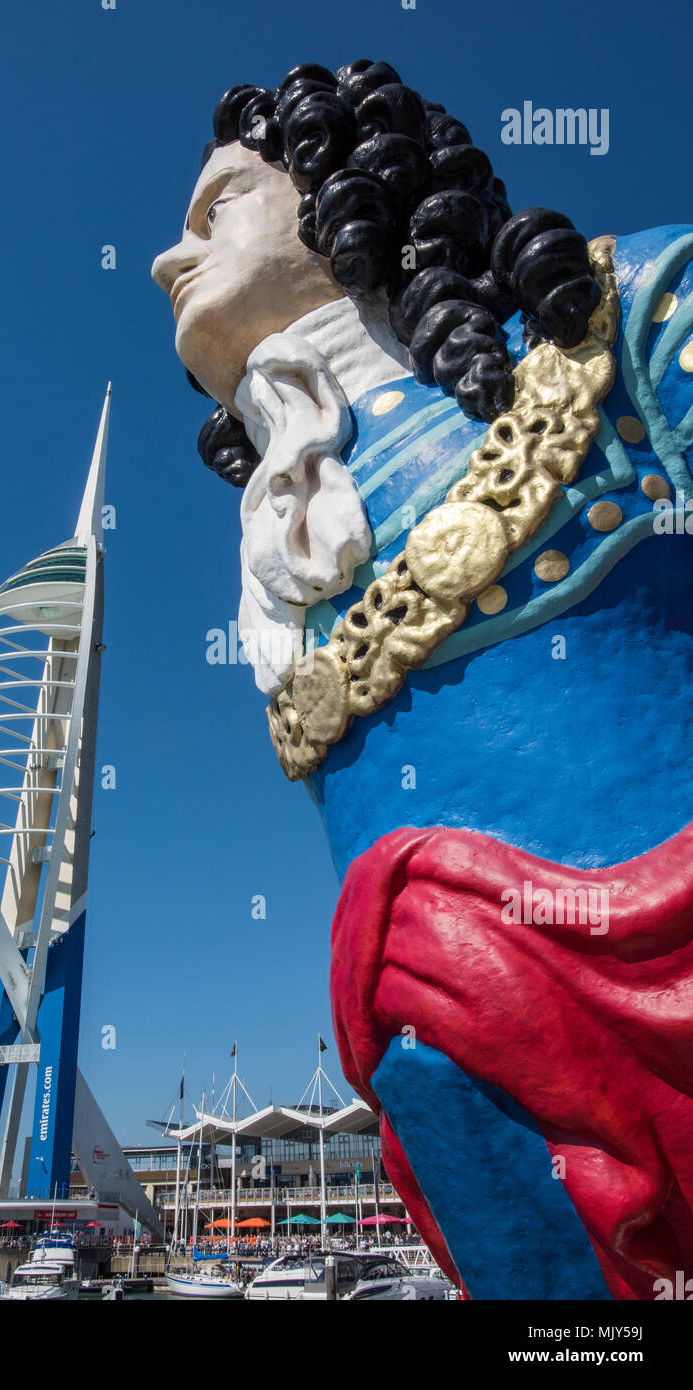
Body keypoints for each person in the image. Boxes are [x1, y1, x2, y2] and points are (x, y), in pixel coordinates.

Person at [152, 58, 693, 1301]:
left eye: (215, 207)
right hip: (471, 1138)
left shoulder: (619, 332)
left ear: (343, 185)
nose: (166, 260)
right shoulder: (284, 574)